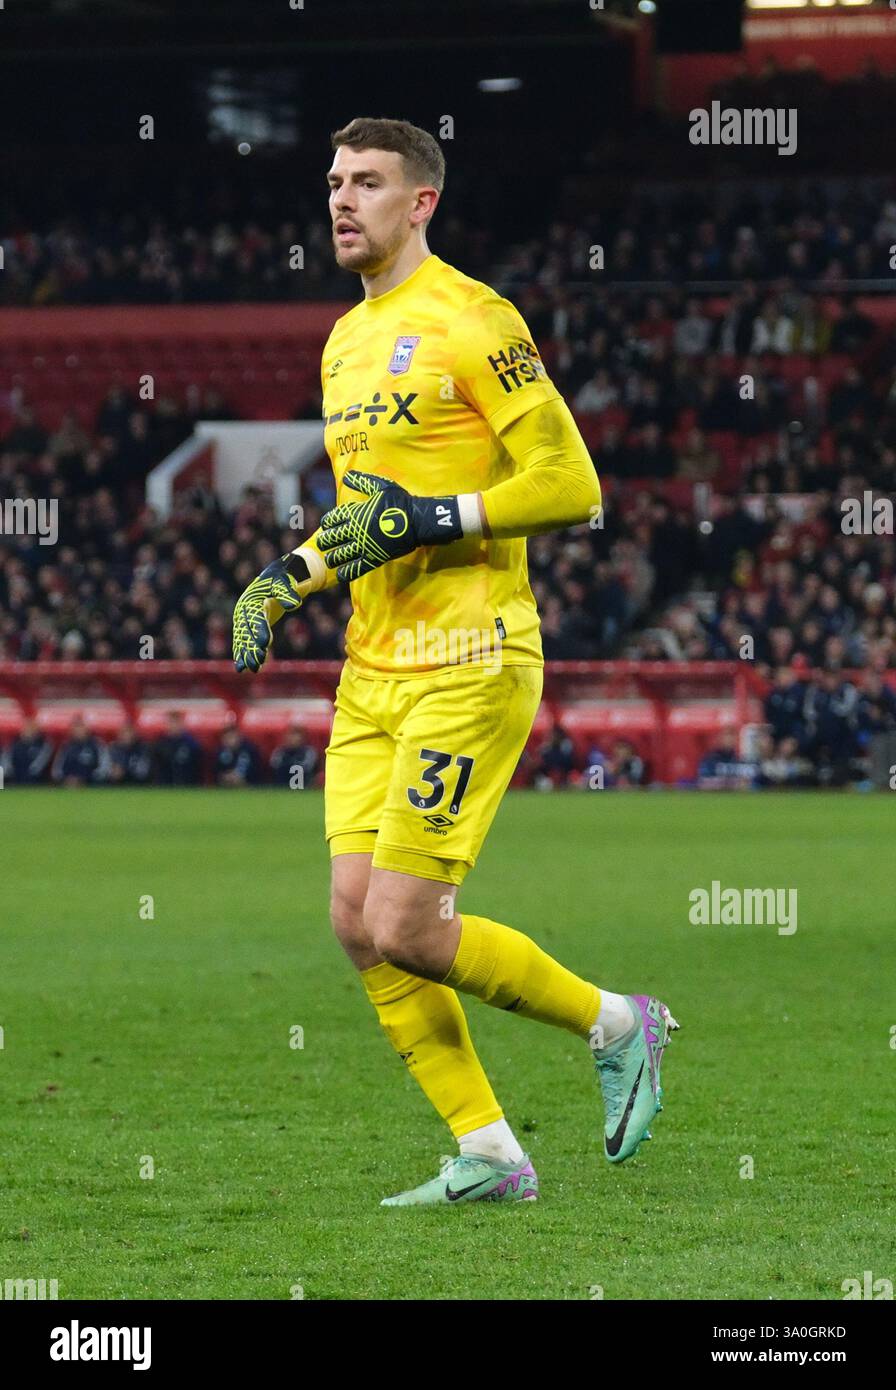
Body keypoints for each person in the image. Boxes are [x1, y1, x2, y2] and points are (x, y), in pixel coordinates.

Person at [232, 117, 678, 1207]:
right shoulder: (344, 341)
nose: (342, 200)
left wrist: (437, 515)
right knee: (355, 922)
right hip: (372, 669)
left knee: (406, 926)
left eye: (367, 182)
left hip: (470, 654)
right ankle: (489, 1151)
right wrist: (285, 578)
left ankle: (617, 1023)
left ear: (420, 201)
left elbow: (571, 485)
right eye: (334, 181)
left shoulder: (476, 319)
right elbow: (368, 520)